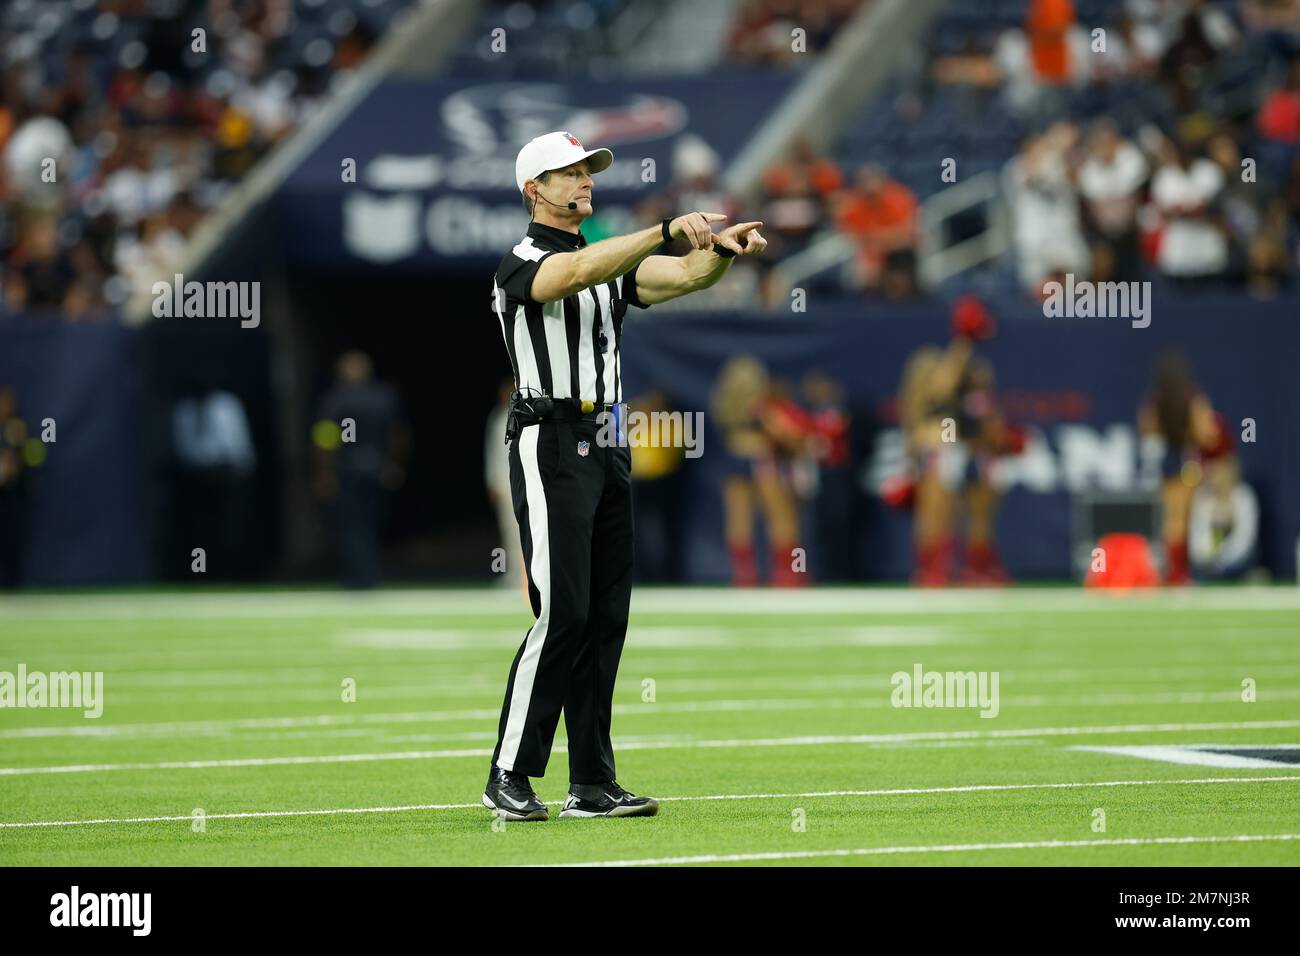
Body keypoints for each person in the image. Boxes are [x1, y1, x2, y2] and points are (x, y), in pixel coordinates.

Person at [484, 131, 768, 821]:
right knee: (564, 612)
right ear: (534, 190)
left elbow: (681, 278)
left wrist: (718, 257)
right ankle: (509, 771)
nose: (583, 180)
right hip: (550, 435)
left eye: (586, 170)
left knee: (607, 615)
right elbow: (569, 277)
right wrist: (664, 228)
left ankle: (591, 782)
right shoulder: (523, 260)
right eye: (567, 172)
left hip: (607, 435)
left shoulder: (604, 259)